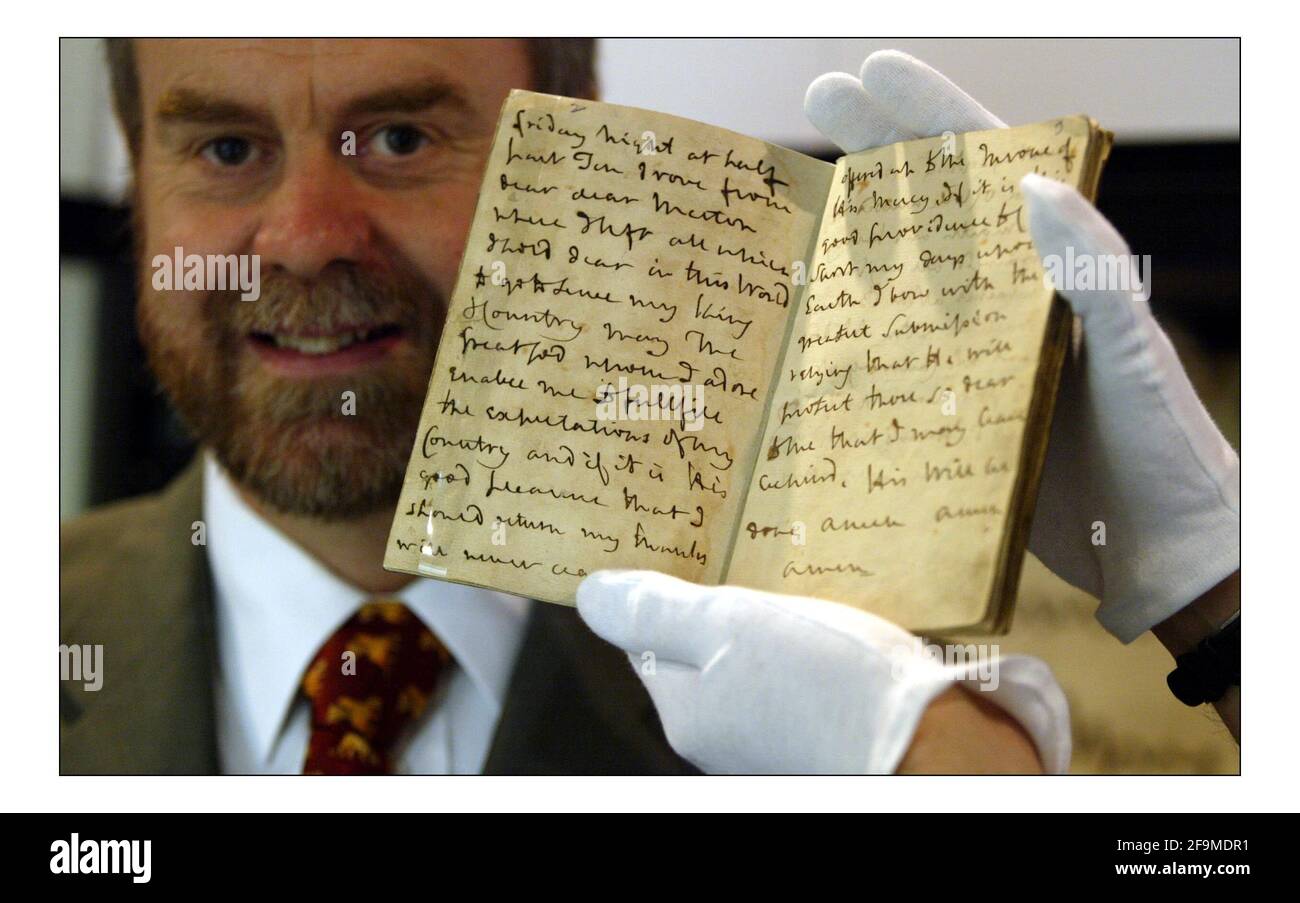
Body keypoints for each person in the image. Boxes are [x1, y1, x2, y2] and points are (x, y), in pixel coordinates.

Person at [60, 39, 1238, 775]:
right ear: (136, 167)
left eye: (402, 138)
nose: (308, 239)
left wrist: (1217, 596)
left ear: (579, 147)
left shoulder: (862, 698)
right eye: (224, 149)